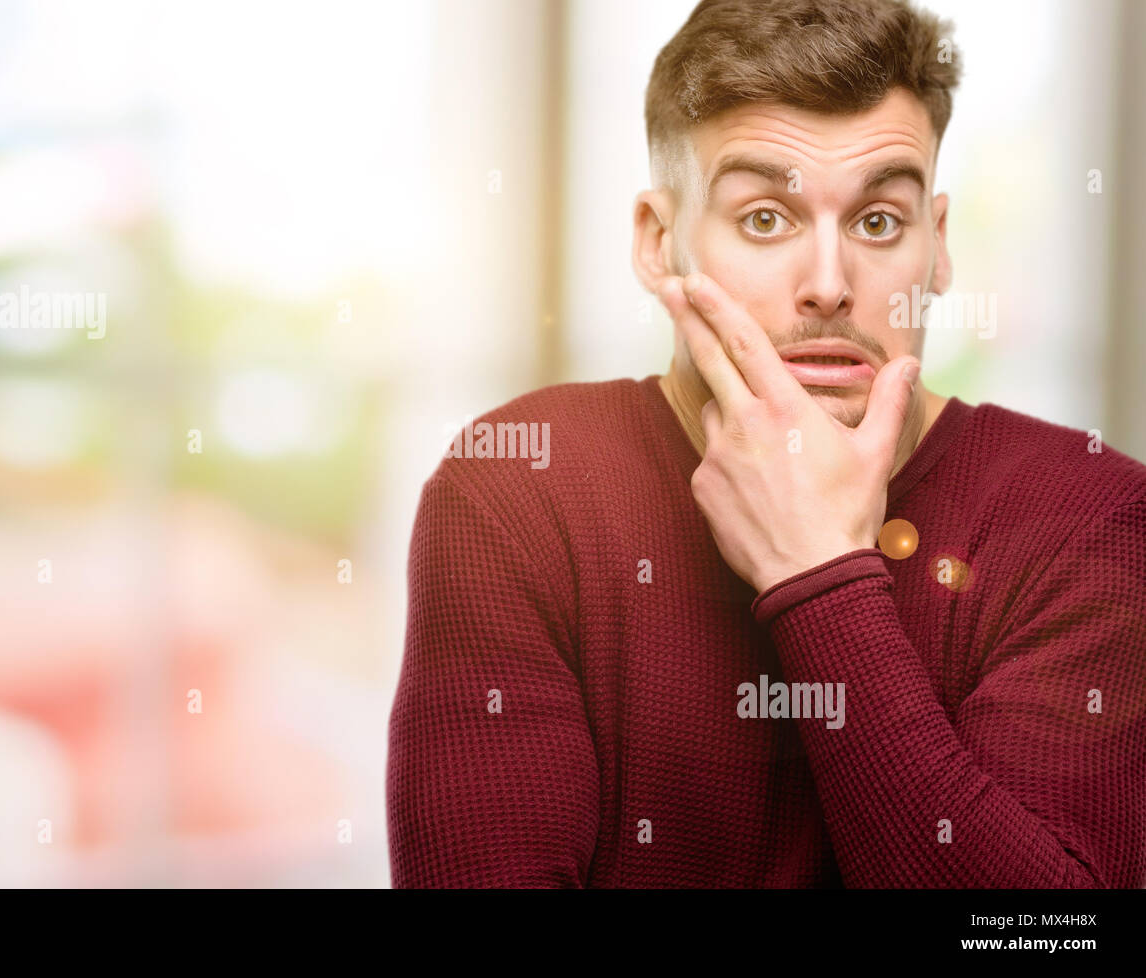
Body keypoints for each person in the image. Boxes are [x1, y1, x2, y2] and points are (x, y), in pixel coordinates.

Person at [386, 0, 1146, 887]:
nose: (829, 285)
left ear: (937, 246)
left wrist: (816, 573)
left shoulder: (1092, 513)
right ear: (659, 241)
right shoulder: (518, 488)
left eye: (877, 222)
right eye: (764, 218)